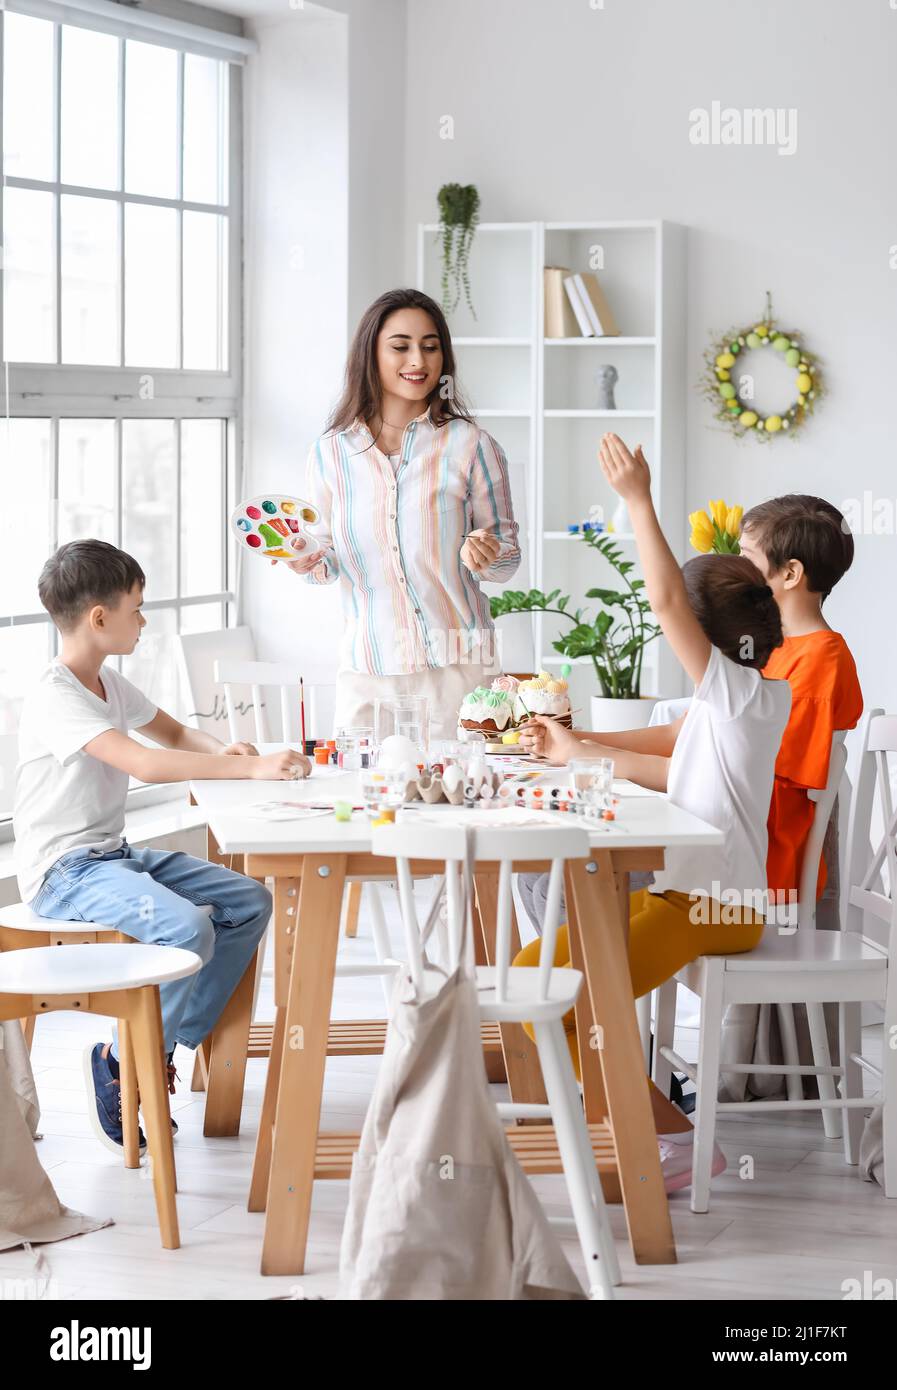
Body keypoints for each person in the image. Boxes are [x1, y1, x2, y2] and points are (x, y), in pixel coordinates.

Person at [515, 434, 792, 1193]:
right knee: (528, 975)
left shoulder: (739, 692)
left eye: (681, 634)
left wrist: (637, 498)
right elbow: (669, 753)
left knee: (557, 992)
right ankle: (644, 1132)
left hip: (717, 906)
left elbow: (666, 600)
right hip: (686, 898)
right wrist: (573, 746)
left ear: (707, 640)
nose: (669, 636)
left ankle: (665, 1142)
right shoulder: (735, 704)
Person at [14, 540, 309, 1154]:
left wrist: (220, 751)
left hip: (113, 856)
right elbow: (145, 764)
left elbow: (171, 733)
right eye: (137, 609)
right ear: (100, 617)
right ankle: (125, 1063)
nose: (144, 621)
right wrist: (252, 773)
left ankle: (159, 1047)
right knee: (184, 929)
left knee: (248, 901)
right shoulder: (55, 694)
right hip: (63, 871)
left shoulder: (109, 683)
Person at [279, 287, 521, 741]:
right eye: (401, 346)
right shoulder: (331, 454)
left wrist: (487, 555)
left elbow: (507, 561)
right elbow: (327, 562)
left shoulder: (472, 446)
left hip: (459, 671)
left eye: (431, 347)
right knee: (364, 805)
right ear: (370, 354)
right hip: (368, 671)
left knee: (464, 806)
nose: (419, 360)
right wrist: (306, 561)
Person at [737, 495, 862, 904]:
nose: (735, 569)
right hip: (739, 838)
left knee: (567, 878)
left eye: (745, 557)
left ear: (790, 573)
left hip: (759, 865)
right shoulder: (774, 647)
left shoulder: (821, 657)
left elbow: (763, 773)